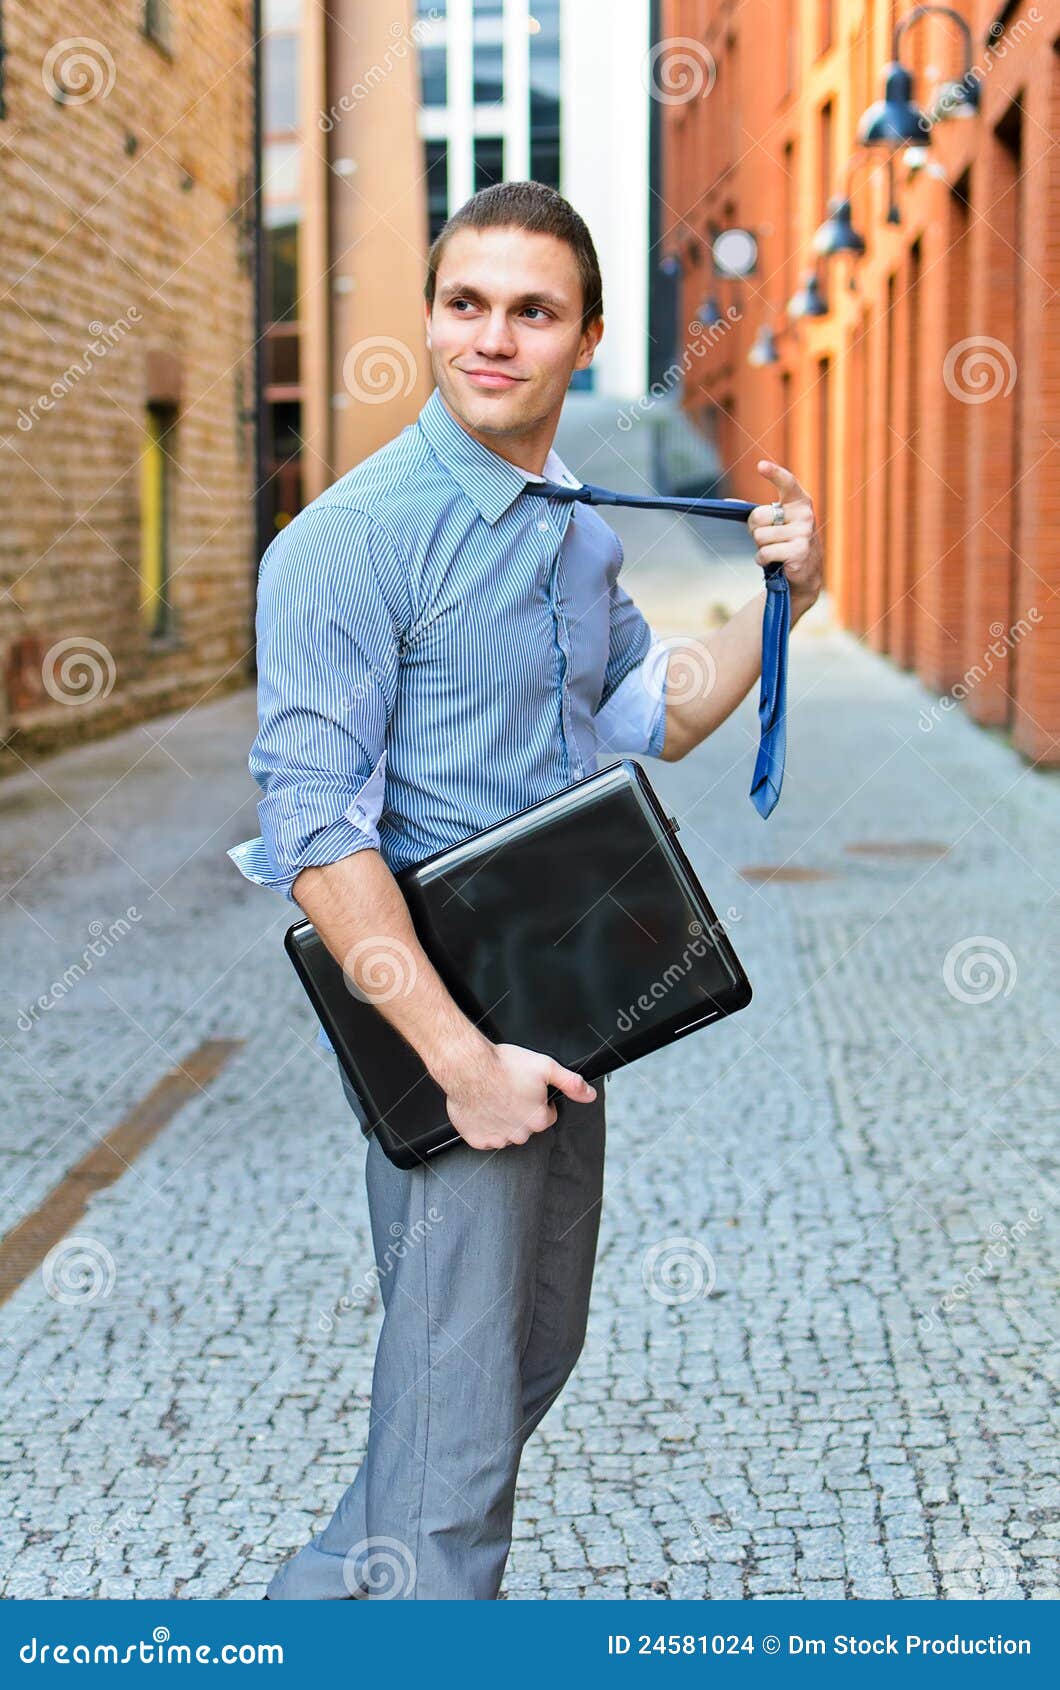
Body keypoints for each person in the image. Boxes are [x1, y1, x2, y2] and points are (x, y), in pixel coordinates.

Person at [229, 180, 822, 1600]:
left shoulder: (577, 530)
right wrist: (458, 1065)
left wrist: (780, 602)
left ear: (589, 337)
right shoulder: (349, 544)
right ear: (432, 316)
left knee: (510, 1375)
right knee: (450, 1478)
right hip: (453, 1042)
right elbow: (318, 837)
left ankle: (308, 1612)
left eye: (532, 311)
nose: (492, 338)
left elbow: (652, 714)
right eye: (465, 303)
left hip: (568, 1017)